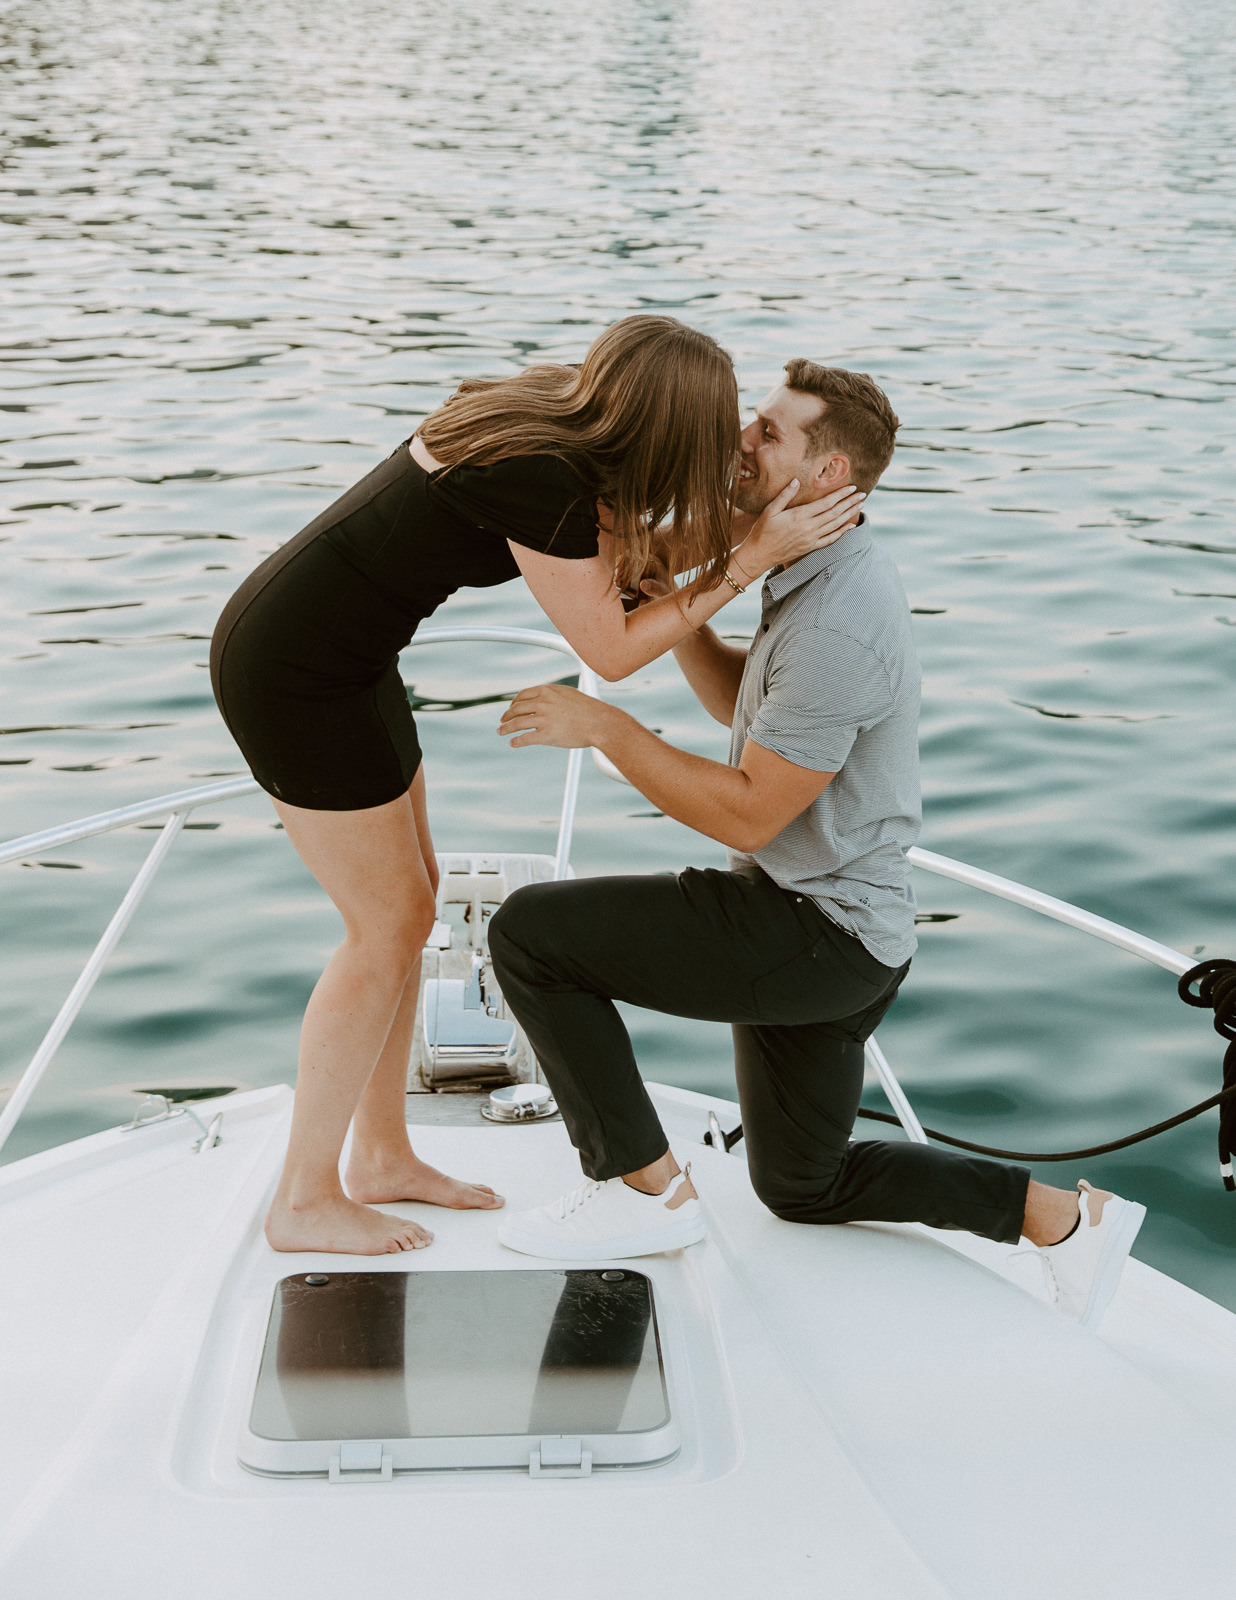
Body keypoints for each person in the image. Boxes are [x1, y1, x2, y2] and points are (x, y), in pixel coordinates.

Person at [488, 359, 1146, 1329]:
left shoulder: (841, 620)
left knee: (532, 935)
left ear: (831, 474)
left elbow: (753, 812)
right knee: (804, 1182)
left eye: (768, 433)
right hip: (847, 935)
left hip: (813, 928)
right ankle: (1063, 1219)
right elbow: (746, 710)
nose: (741, 443)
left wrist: (610, 731)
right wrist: (683, 616)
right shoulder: (815, 568)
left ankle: (638, 1191)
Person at [209, 318, 864, 1257]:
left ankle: (381, 1156)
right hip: (293, 673)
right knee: (383, 928)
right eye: (717, 426)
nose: (726, 443)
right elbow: (611, 645)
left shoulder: (570, 426)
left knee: (415, 907)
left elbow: (634, 565)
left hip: (347, 660)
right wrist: (750, 558)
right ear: (663, 419)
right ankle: (304, 1198)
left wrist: (749, 533)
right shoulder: (546, 479)